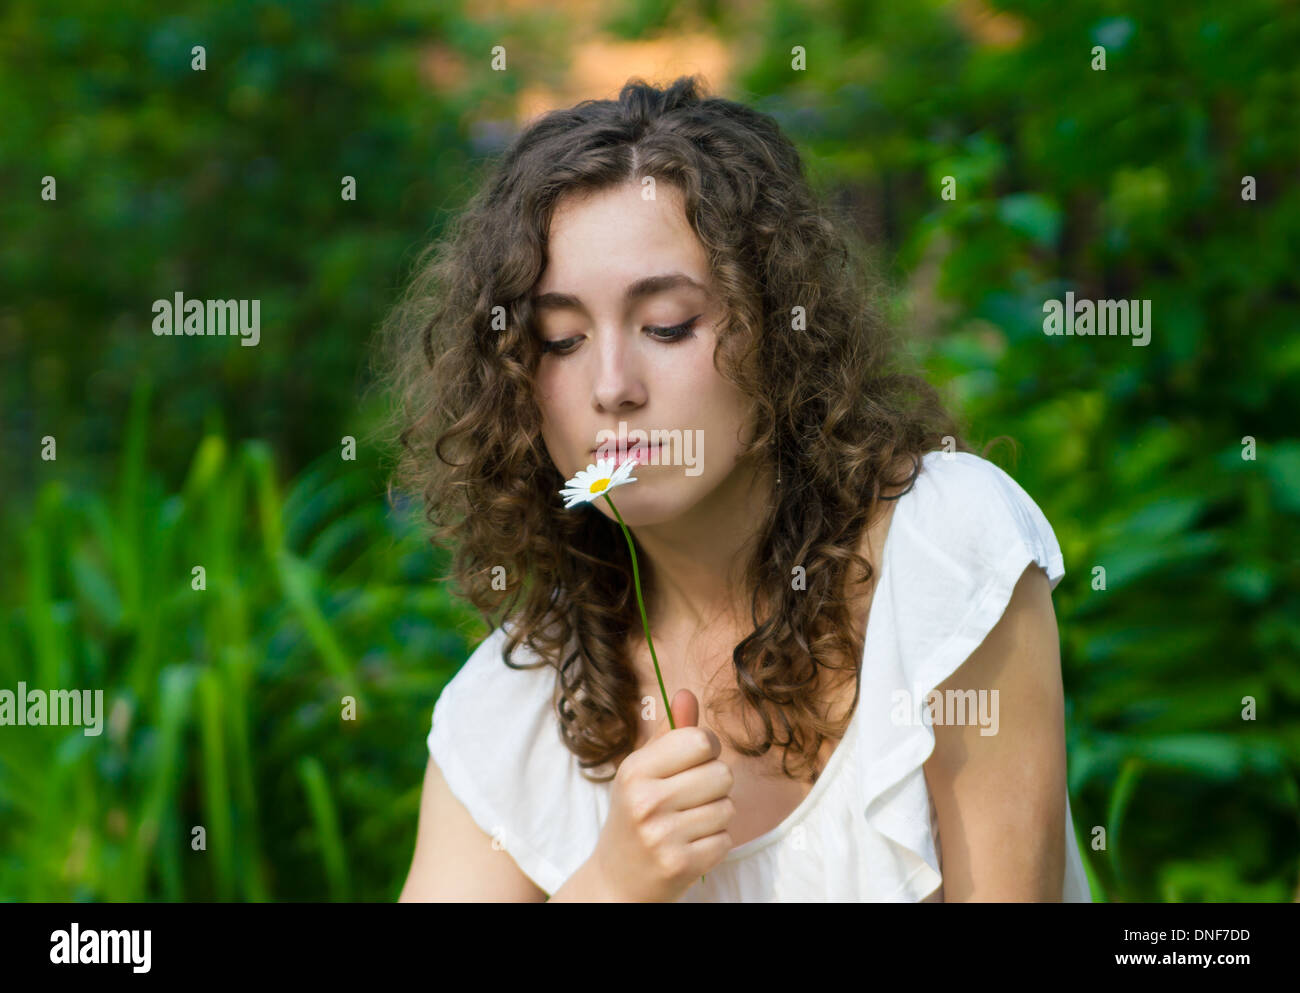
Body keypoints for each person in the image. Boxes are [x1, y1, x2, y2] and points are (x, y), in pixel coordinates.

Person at [381, 75, 1092, 902]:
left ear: (779, 331)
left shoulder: (943, 553)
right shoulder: (511, 711)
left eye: (668, 326)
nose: (613, 385)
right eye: (562, 338)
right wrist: (612, 885)